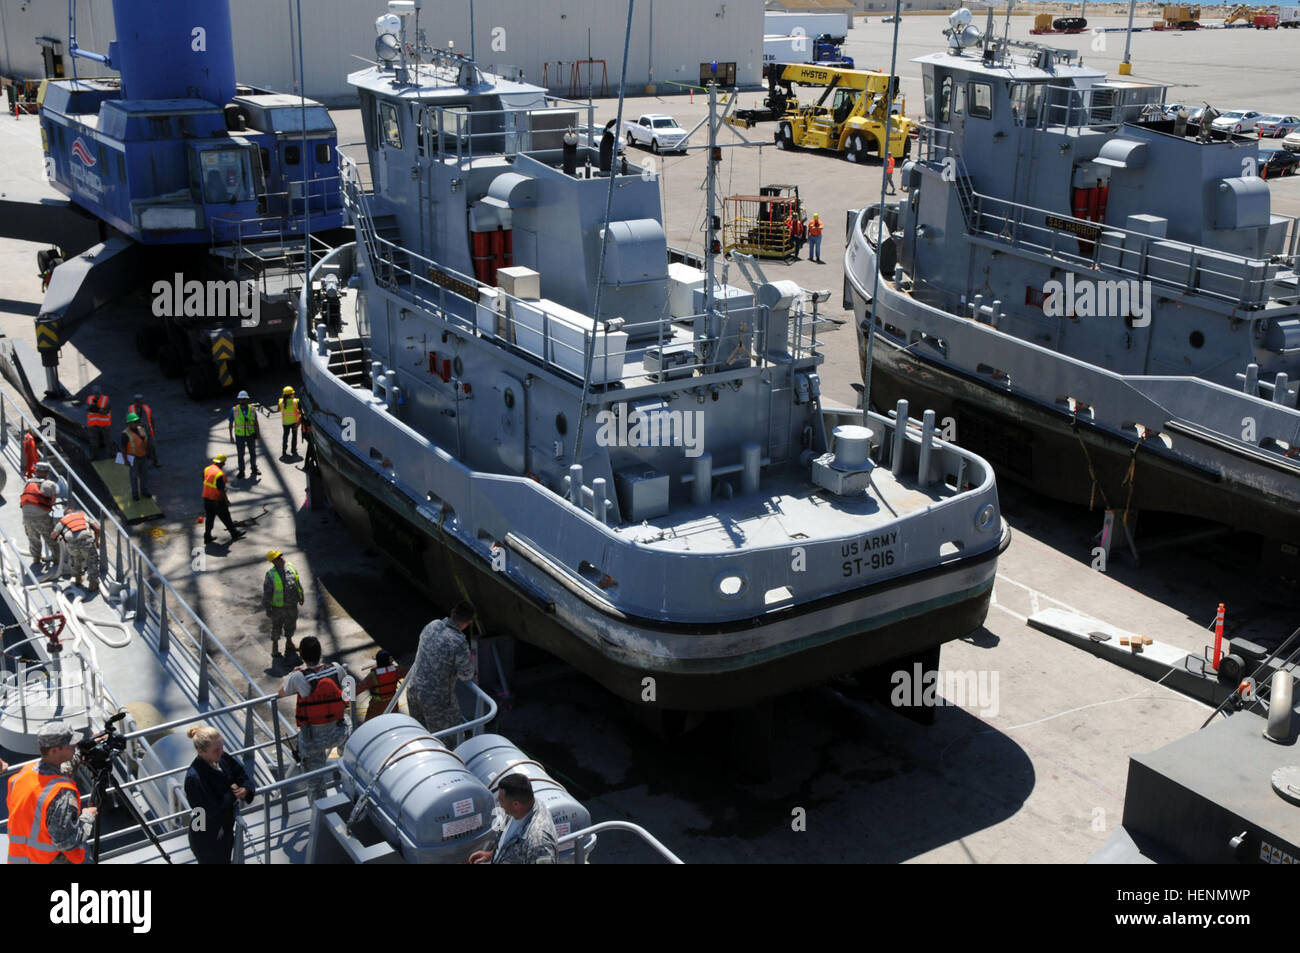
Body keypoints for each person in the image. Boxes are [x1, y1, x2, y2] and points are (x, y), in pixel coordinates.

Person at [6, 720, 97, 864]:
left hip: (24, 858)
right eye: (71, 745)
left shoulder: (23, 775)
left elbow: (62, 769)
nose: (74, 746)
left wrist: (80, 751)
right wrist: (87, 817)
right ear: (54, 751)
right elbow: (66, 842)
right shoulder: (61, 793)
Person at [278, 637, 349, 801]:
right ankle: (347, 782)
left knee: (315, 783)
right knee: (348, 757)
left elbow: (281, 692)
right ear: (320, 652)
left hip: (313, 740)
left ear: (301, 655)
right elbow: (349, 692)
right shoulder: (337, 669)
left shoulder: (298, 677)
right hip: (339, 734)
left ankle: (320, 812)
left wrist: (291, 674)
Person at [183, 725, 255, 864]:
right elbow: (212, 809)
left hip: (223, 831)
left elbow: (241, 774)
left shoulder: (222, 758)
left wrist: (246, 788)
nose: (221, 752)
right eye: (216, 750)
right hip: (206, 838)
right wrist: (234, 792)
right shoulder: (194, 778)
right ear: (200, 751)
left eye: (222, 747)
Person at [405, 602, 476, 737]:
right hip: (437, 702)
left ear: (452, 612)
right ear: (468, 623)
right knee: (448, 743)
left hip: (413, 690)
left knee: (419, 736)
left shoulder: (432, 625)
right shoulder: (458, 642)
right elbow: (466, 674)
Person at [467, 773, 558, 865]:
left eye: (501, 799)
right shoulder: (524, 805)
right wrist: (491, 855)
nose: (497, 800)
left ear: (516, 805)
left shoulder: (539, 844)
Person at [263, 549, 305, 659]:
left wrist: (301, 596)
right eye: (278, 558)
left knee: (291, 624)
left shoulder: (290, 568)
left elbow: (297, 583)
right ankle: (275, 648)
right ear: (273, 562)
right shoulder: (270, 575)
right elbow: (267, 593)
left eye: (281, 556)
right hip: (278, 608)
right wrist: (268, 608)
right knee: (277, 627)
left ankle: (289, 643)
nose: (281, 558)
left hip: (292, 605)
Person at [52, 507, 101, 593]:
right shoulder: (83, 515)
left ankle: (78, 579)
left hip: (72, 543)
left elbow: (53, 535)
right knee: (92, 560)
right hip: (86, 540)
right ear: (74, 511)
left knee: (75, 559)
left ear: (64, 515)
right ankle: (93, 583)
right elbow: (97, 528)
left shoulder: (62, 521)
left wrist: (61, 538)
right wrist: (96, 541)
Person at [202, 454, 244, 545]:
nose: (224, 465)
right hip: (217, 500)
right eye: (224, 463)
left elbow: (206, 481)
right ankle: (234, 533)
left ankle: (207, 536)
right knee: (226, 518)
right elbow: (221, 490)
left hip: (206, 498)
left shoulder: (207, 469)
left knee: (209, 519)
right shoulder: (219, 474)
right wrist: (226, 500)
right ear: (221, 463)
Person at [20, 468, 58, 564]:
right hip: (41, 517)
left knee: (33, 538)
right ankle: (57, 559)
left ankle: (36, 558)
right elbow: (53, 500)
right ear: (47, 473)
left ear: (36, 472)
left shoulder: (28, 483)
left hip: (26, 517)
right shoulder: (50, 484)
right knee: (50, 538)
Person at [360, 649, 408, 721]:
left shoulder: (373, 676)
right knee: (393, 722)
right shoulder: (397, 670)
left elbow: (358, 689)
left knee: (370, 724)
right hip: (392, 703)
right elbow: (410, 672)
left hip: (377, 705)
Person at [118, 412, 152, 501]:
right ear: (128, 424)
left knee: (144, 475)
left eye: (136, 421)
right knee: (133, 476)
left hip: (143, 456)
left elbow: (146, 441)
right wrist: (125, 460)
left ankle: (145, 491)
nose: (135, 423)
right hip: (133, 458)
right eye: (133, 422)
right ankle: (135, 494)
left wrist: (149, 453)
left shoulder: (141, 429)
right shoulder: (125, 434)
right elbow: (123, 448)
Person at [228, 390, 260, 479]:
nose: (242, 401)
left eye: (244, 399)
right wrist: (231, 436)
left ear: (247, 399)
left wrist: (258, 434)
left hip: (251, 435)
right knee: (240, 454)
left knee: (253, 453)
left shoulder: (252, 409)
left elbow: (256, 423)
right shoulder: (234, 410)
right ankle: (241, 471)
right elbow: (230, 424)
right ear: (239, 400)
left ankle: (254, 468)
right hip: (239, 436)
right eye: (241, 399)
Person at [125, 393, 159, 466]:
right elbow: (128, 422)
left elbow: (151, 418)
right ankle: (142, 463)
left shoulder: (146, 408)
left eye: (142, 401)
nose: (141, 403)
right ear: (135, 402)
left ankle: (155, 461)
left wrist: (153, 429)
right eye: (139, 401)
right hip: (138, 431)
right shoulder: (131, 410)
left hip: (148, 430)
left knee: (152, 446)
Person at [84, 384, 111, 460]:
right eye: (95, 393)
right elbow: (86, 408)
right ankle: (94, 455)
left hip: (104, 424)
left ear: (101, 392)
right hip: (93, 424)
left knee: (108, 440)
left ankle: (112, 453)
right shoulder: (89, 399)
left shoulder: (106, 399)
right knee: (94, 441)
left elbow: (107, 411)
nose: (97, 395)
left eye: (98, 393)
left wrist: (99, 410)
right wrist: (91, 407)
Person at [279, 386, 301, 458]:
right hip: (294, 422)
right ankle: (293, 450)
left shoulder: (280, 402)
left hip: (285, 423)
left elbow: (278, 410)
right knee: (294, 436)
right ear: (290, 395)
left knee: (285, 436)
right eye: (292, 393)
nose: (293, 394)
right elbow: (300, 410)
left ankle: (284, 450)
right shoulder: (296, 401)